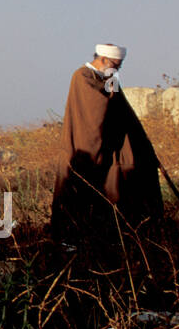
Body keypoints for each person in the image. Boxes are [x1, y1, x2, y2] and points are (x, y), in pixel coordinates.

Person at [50, 43, 164, 244]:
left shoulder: (109, 77)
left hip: (113, 142)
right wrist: (112, 90)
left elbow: (122, 110)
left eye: (119, 66)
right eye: (115, 65)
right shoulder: (82, 76)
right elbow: (97, 111)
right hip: (84, 145)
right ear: (102, 59)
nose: (117, 70)